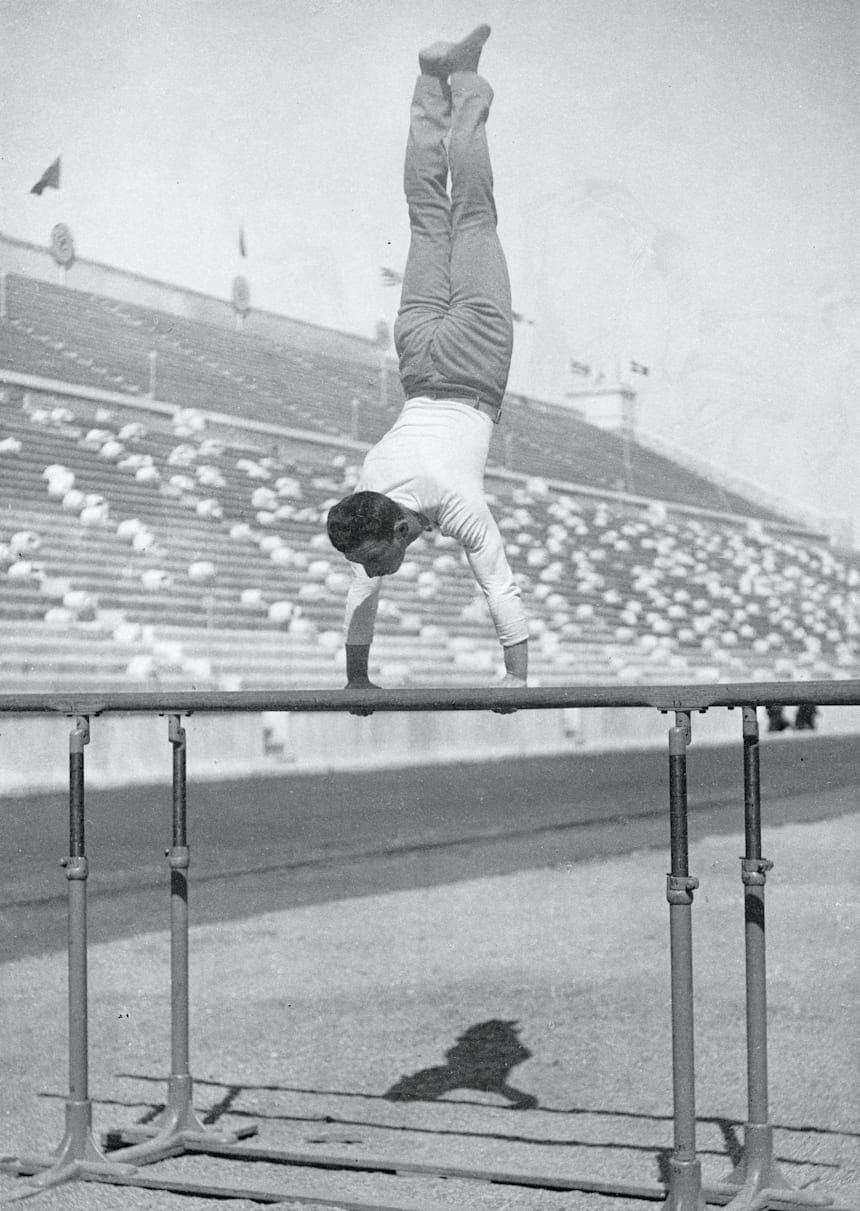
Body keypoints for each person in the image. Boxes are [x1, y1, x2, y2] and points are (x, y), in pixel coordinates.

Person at [326, 25, 528, 691]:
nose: (374, 570)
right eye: (370, 561)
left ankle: (464, 83)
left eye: (376, 560)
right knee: (426, 217)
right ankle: (430, 82)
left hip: (469, 360)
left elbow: (499, 583)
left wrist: (517, 681)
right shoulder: (368, 497)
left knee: (470, 218)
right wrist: (356, 682)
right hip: (417, 352)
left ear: (397, 528)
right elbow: (361, 594)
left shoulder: (452, 499)